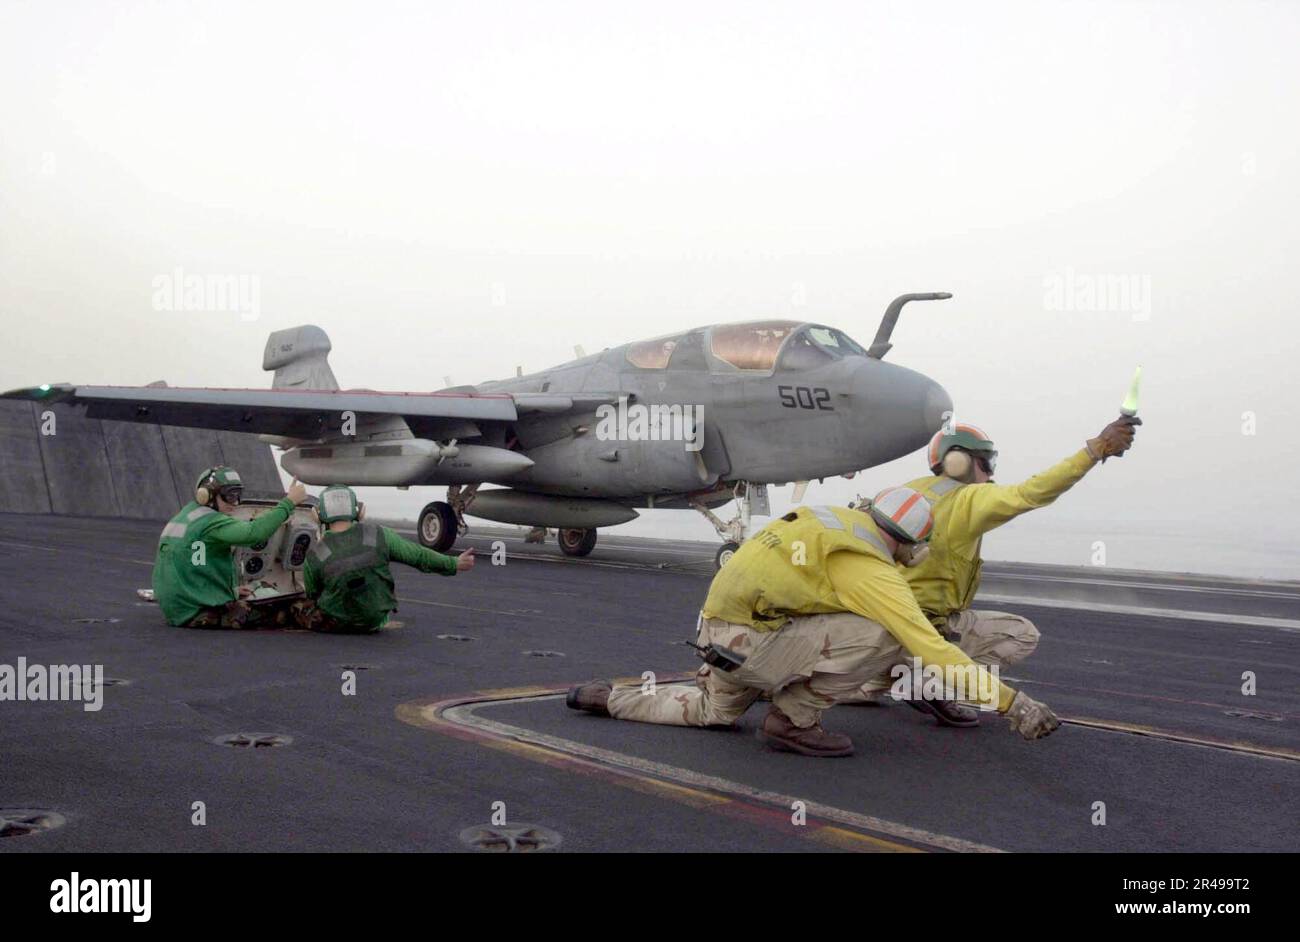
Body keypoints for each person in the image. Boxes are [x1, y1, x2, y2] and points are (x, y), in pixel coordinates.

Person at [567, 488, 1060, 757]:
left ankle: (607, 698)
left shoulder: (832, 519)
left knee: (713, 713)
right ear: (912, 544)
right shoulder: (870, 568)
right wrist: (1012, 704)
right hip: (755, 647)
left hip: (718, 637)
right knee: (889, 633)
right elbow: (931, 647)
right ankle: (791, 720)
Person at [855, 417, 1141, 723]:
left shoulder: (902, 493)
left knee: (851, 685)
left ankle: (874, 678)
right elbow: (1031, 493)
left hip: (877, 626)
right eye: (985, 462)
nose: (990, 473)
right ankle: (934, 685)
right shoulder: (968, 498)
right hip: (926, 628)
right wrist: (1095, 450)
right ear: (959, 462)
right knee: (1022, 633)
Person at [300, 485, 475, 633]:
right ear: (359, 511)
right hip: (375, 621)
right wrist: (453, 563)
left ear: (317, 515)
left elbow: (312, 594)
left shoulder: (315, 554)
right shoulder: (379, 534)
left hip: (335, 624)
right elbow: (418, 555)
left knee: (299, 606)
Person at [152, 467, 308, 628]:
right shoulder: (210, 522)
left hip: (180, 607)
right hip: (199, 612)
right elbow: (253, 533)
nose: (236, 503)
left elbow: (197, 564)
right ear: (206, 495)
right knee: (289, 611)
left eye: (237, 495)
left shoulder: (188, 516)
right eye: (229, 496)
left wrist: (232, 591)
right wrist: (289, 502)